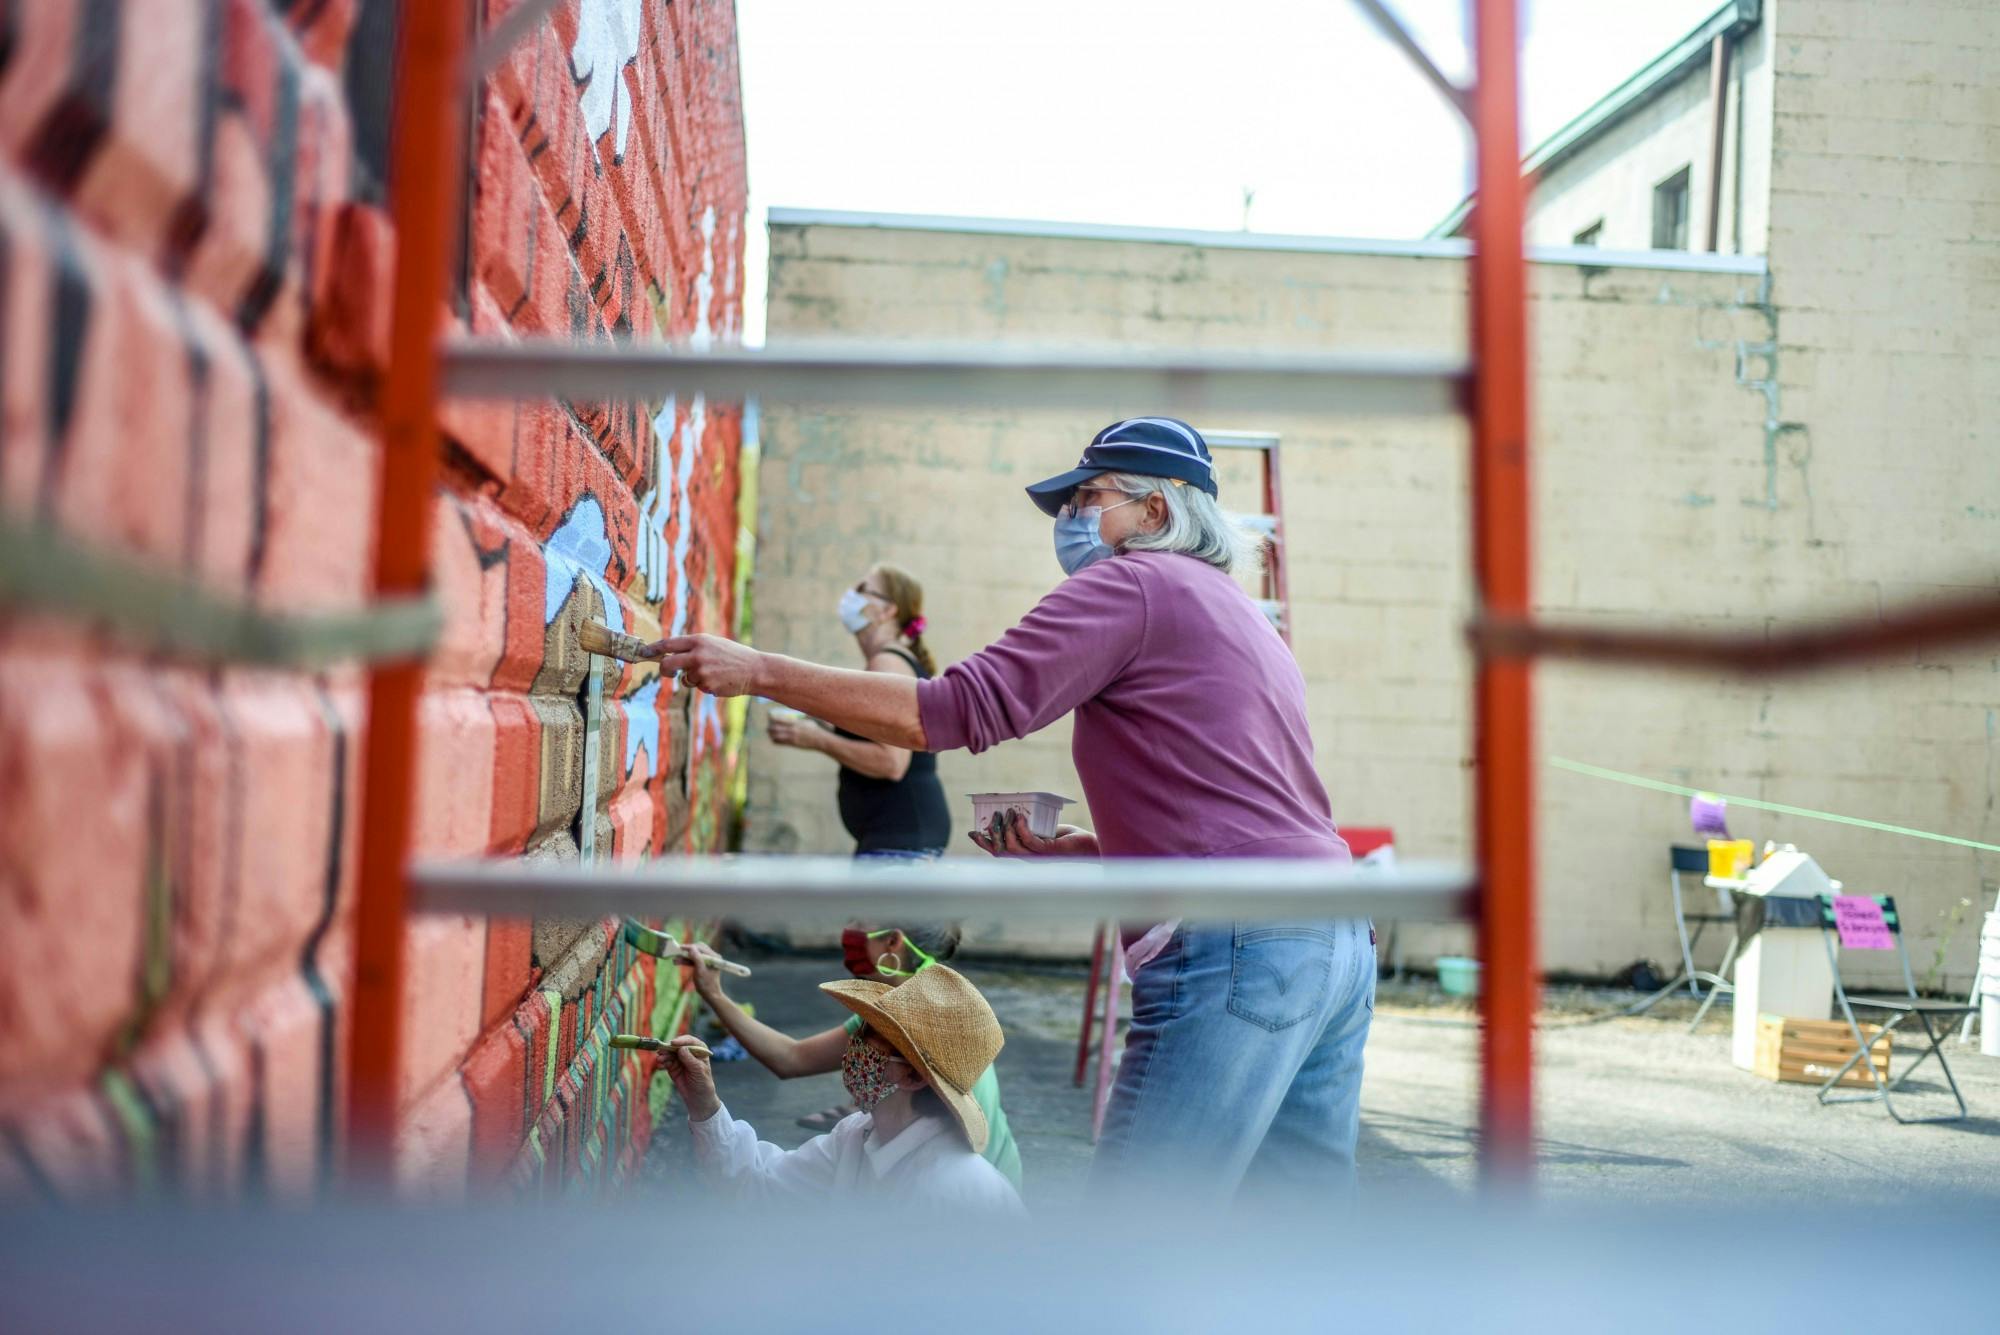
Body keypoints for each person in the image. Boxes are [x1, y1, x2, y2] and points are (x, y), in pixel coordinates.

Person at [643, 417, 1372, 1203]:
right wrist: (1095, 851)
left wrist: (758, 669)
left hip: (1239, 943)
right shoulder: (1241, 614)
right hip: (1333, 940)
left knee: (1133, 1240)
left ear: (1157, 513)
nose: (1071, 521)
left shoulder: (1134, 583)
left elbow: (957, 709)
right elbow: (1252, 810)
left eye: (1090, 497)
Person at [655, 962, 1024, 1214]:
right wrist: (704, 1103)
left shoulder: (947, 1188)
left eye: (868, 1036)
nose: (853, 1047)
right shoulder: (858, 1138)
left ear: (912, 1077)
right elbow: (758, 1186)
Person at [767, 562, 950, 862]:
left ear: (887, 611)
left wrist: (815, 739)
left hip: (900, 840)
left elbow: (892, 762)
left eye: (862, 590)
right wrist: (816, 718)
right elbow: (874, 733)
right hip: (900, 838)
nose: (850, 596)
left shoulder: (888, 663)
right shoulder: (890, 661)